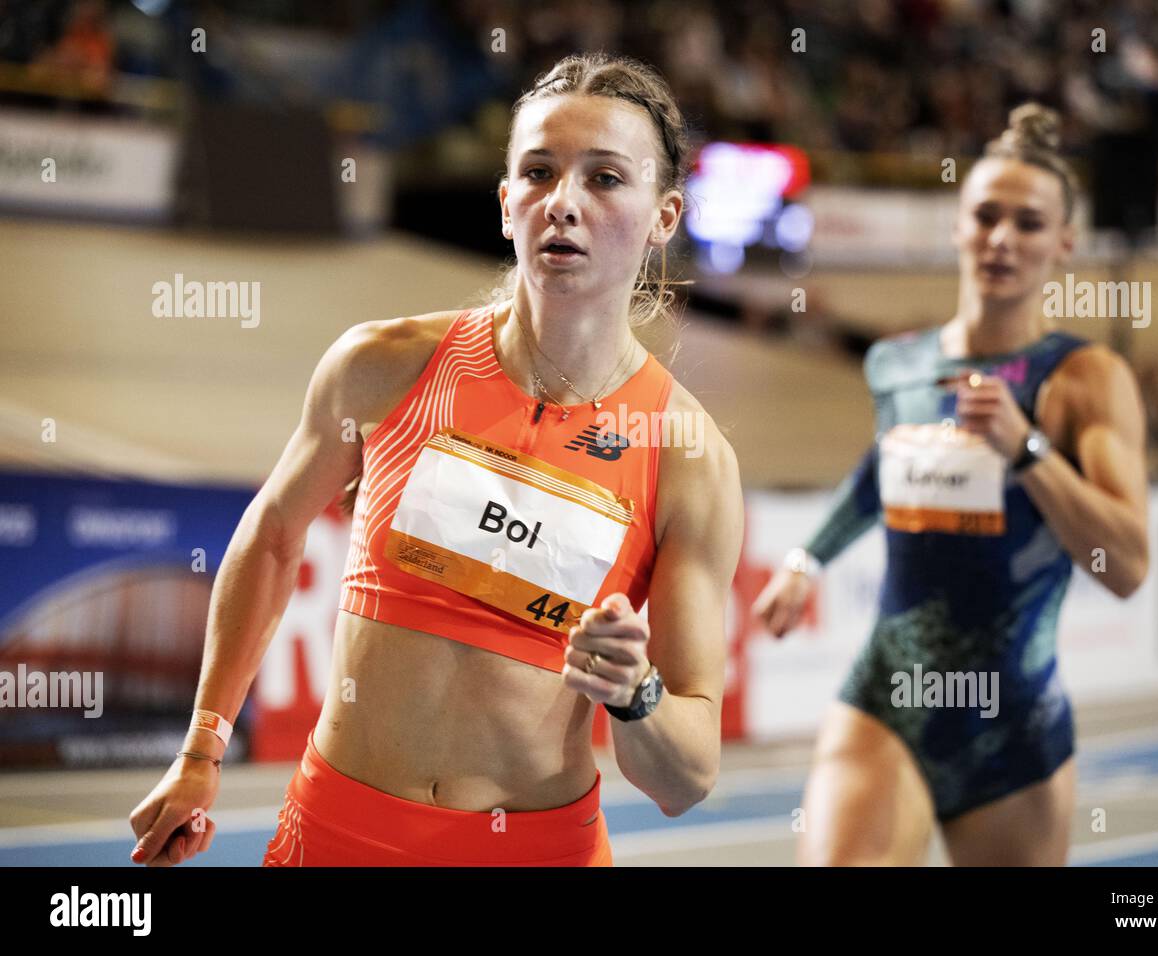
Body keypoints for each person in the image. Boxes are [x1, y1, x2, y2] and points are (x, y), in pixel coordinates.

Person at [128, 52, 744, 867]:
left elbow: (685, 779)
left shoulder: (689, 458)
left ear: (664, 217)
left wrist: (637, 694)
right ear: (504, 204)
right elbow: (273, 537)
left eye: (604, 179)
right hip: (341, 834)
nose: (562, 203)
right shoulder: (381, 368)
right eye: (538, 172)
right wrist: (203, 748)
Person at [754, 104, 1149, 866]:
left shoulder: (1083, 381)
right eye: (986, 216)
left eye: (1029, 224)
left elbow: (1126, 565)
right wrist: (809, 560)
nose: (1002, 238)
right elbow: (881, 474)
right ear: (957, 226)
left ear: (1065, 242)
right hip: (888, 697)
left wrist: (1026, 449)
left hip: (1014, 725)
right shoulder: (895, 364)